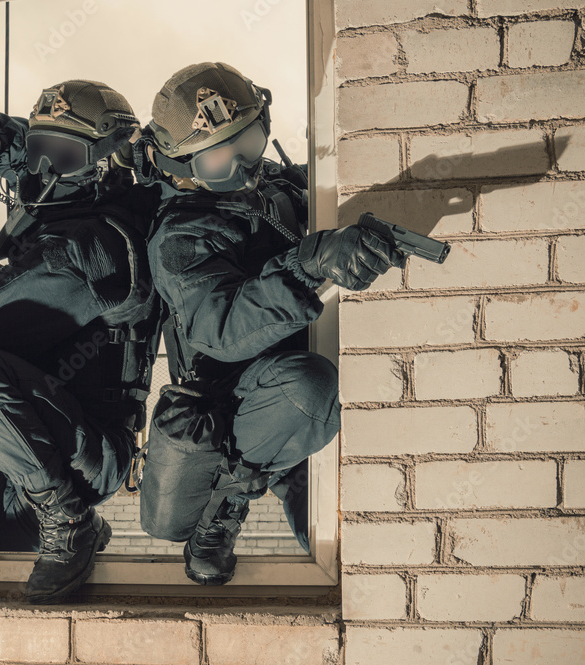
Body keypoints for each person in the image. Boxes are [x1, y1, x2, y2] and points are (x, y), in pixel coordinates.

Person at [135, 62, 406, 585]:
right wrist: (310, 262)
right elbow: (223, 327)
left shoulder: (276, 188)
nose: (243, 167)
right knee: (311, 389)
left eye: (251, 141)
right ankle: (226, 504)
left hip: (293, 403)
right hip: (244, 409)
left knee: (348, 558)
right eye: (219, 159)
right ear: (183, 168)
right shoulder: (179, 237)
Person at [0, 80, 162, 603]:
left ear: (106, 164)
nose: (44, 170)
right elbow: (38, 161)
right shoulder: (68, 205)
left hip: (88, 452)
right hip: (29, 457)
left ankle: (72, 522)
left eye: (63, 156)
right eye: (38, 153)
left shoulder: (98, 248)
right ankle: (60, 517)